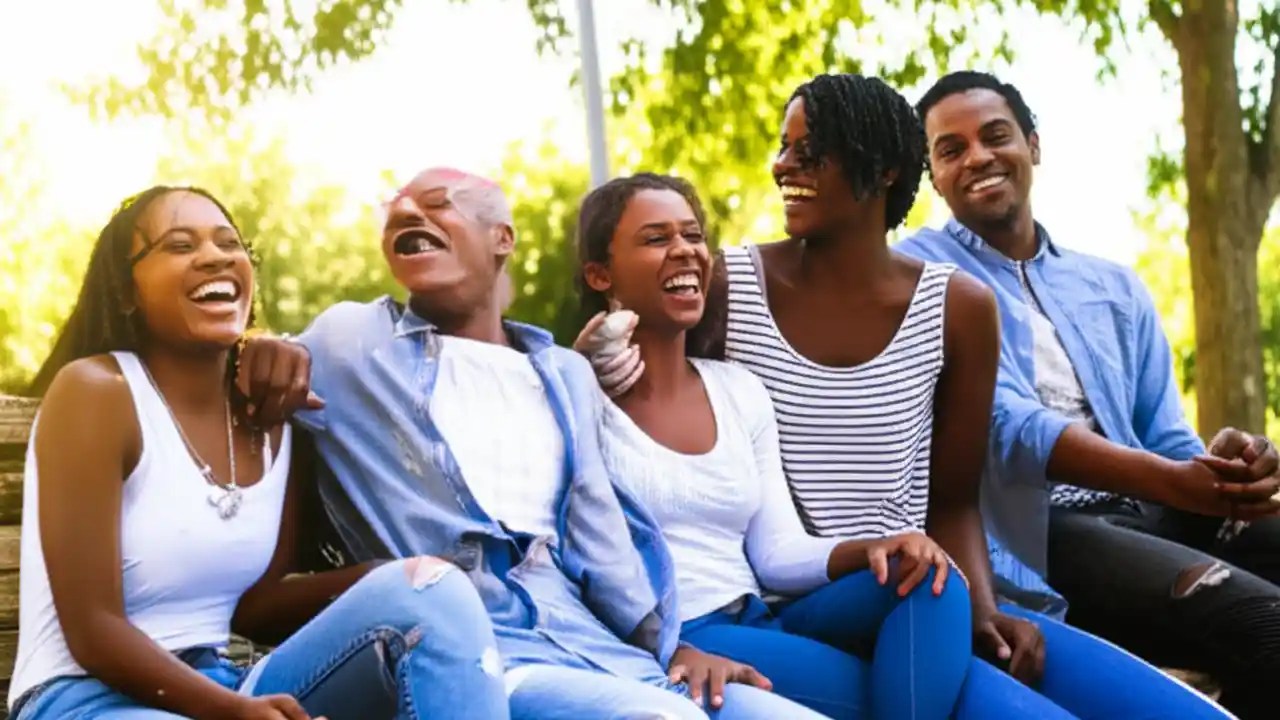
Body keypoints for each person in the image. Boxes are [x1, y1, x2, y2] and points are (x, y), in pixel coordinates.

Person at [580, 74, 1232, 719]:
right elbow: (645, 383)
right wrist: (588, 358)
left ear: (883, 169)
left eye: (809, 152)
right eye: (784, 148)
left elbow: (952, 501)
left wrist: (983, 611)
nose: (782, 166)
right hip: (792, 602)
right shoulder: (730, 285)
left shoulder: (958, 307)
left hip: (910, 589)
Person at [233, 168, 824, 720]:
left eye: (438, 204)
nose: (409, 213)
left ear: (502, 238)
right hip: (481, 652)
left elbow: (602, 546)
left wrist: (671, 647)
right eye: (397, 211)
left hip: (599, 649)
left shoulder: (565, 374)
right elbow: (237, 360)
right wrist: (255, 347)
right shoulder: (351, 341)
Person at [11, 186, 509, 720]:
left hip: (230, 683)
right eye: (179, 245)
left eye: (230, 243)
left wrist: (396, 577)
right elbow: (92, 630)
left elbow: (257, 608)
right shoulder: (97, 392)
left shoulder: (270, 417)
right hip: (86, 698)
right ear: (126, 291)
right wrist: (234, 713)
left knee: (431, 589)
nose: (215, 256)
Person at [897, 69, 1280, 718]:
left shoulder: (1114, 286)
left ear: (1033, 145)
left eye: (996, 136)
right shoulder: (921, 272)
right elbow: (1008, 427)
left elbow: (1166, 438)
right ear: (933, 176)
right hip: (1043, 530)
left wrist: (1226, 467)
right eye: (951, 149)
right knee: (1265, 623)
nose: (978, 157)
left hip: (1153, 507)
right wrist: (1173, 480)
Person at [576, 172, 975, 719]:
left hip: (763, 616)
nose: (685, 250)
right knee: (926, 696)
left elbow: (776, 554)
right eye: (656, 238)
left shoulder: (738, 390)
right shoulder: (574, 400)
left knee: (928, 576)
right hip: (687, 635)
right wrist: (579, 377)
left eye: (693, 235)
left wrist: (881, 544)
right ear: (601, 274)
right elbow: (569, 565)